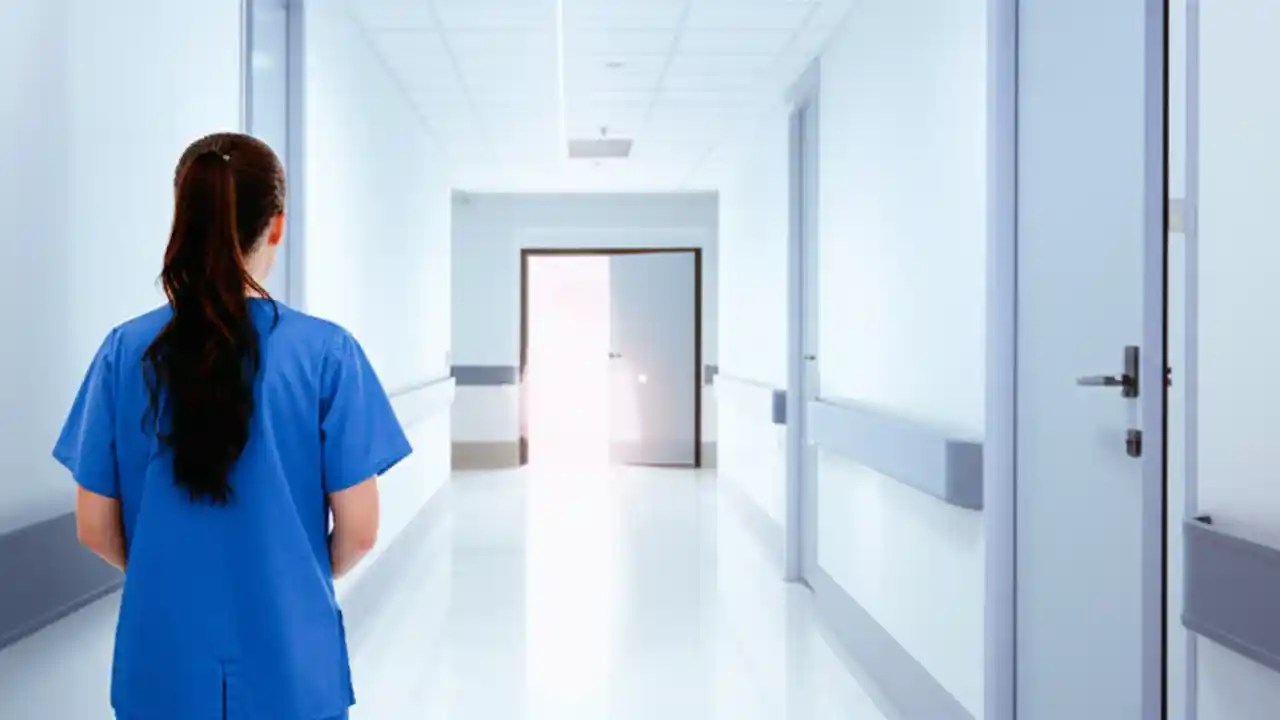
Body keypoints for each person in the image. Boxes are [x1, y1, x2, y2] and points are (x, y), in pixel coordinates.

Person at [52, 133, 411, 720]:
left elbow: (94, 526)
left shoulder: (126, 352)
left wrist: (167, 566)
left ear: (185, 217)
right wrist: (293, 573)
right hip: (292, 664)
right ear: (276, 226)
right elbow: (361, 530)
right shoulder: (326, 353)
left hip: (161, 662)